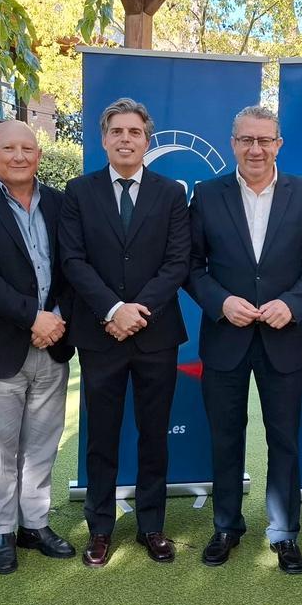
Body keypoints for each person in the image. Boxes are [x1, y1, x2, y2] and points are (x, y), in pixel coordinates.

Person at [186, 106, 302, 574]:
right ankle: (226, 526)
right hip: (225, 336)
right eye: (246, 140)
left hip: (283, 339)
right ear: (233, 143)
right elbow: (192, 266)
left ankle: (285, 532)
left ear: (278, 144)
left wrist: (294, 303)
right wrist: (220, 302)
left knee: (284, 438)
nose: (255, 149)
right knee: (225, 437)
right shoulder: (206, 195)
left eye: (265, 140)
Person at [58, 97, 190, 567]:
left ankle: (152, 526)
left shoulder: (171, 193)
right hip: (100, 336)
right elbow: (72, 260)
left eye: (135, 132)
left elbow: (178, 261)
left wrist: (138, 311)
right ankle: (99, 528)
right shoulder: (78, 192)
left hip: (156, 335)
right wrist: (113, 310)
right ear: (104, 138)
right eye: (118, 131)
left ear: (146, 140)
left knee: (154, 435)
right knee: (102, 436)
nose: (126, 139)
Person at [0, 120, 76, 575]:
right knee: (1, 447)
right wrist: (32, 318)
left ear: (39, 155)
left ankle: (35, 525)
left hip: (55, 341)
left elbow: (73, 266)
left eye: (28, 148)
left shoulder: (62, 205)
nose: (19, 156)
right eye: (9, 148)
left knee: (42, 443)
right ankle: (2, 531)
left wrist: (55, 317)